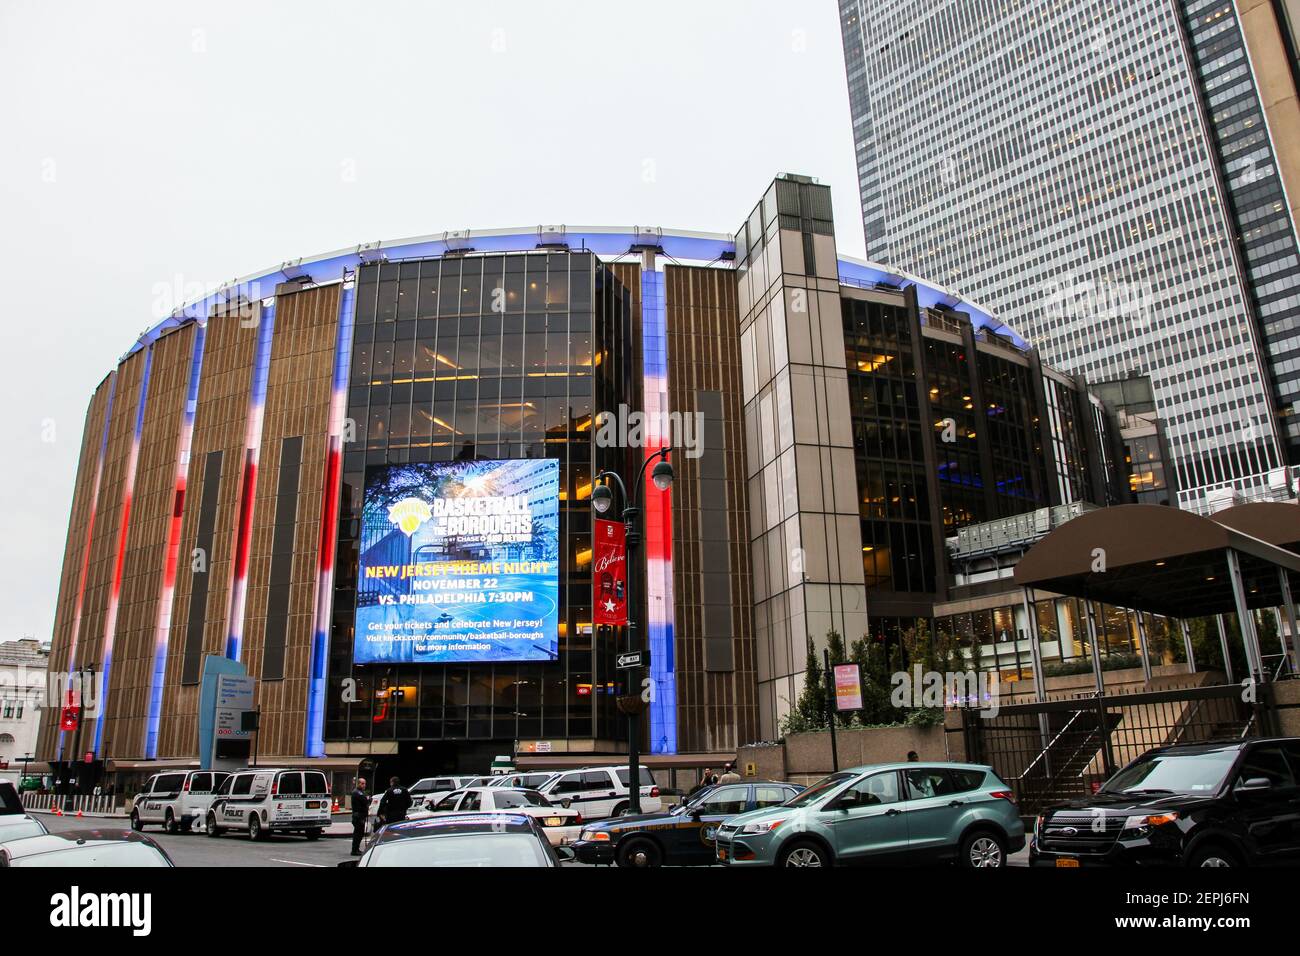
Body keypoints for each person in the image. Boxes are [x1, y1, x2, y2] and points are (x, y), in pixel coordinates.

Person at [350, 777, 371, 856]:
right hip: (358, 816)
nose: (364, 785)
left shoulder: (360, 792)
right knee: (358, 834)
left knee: (360, 834)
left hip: (361, 816)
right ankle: (354, 850)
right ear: (358, 784)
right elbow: (365, 801)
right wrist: (368, 799)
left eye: (364, 783)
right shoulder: (357, 792)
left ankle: (356, 849)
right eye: (362, 783)